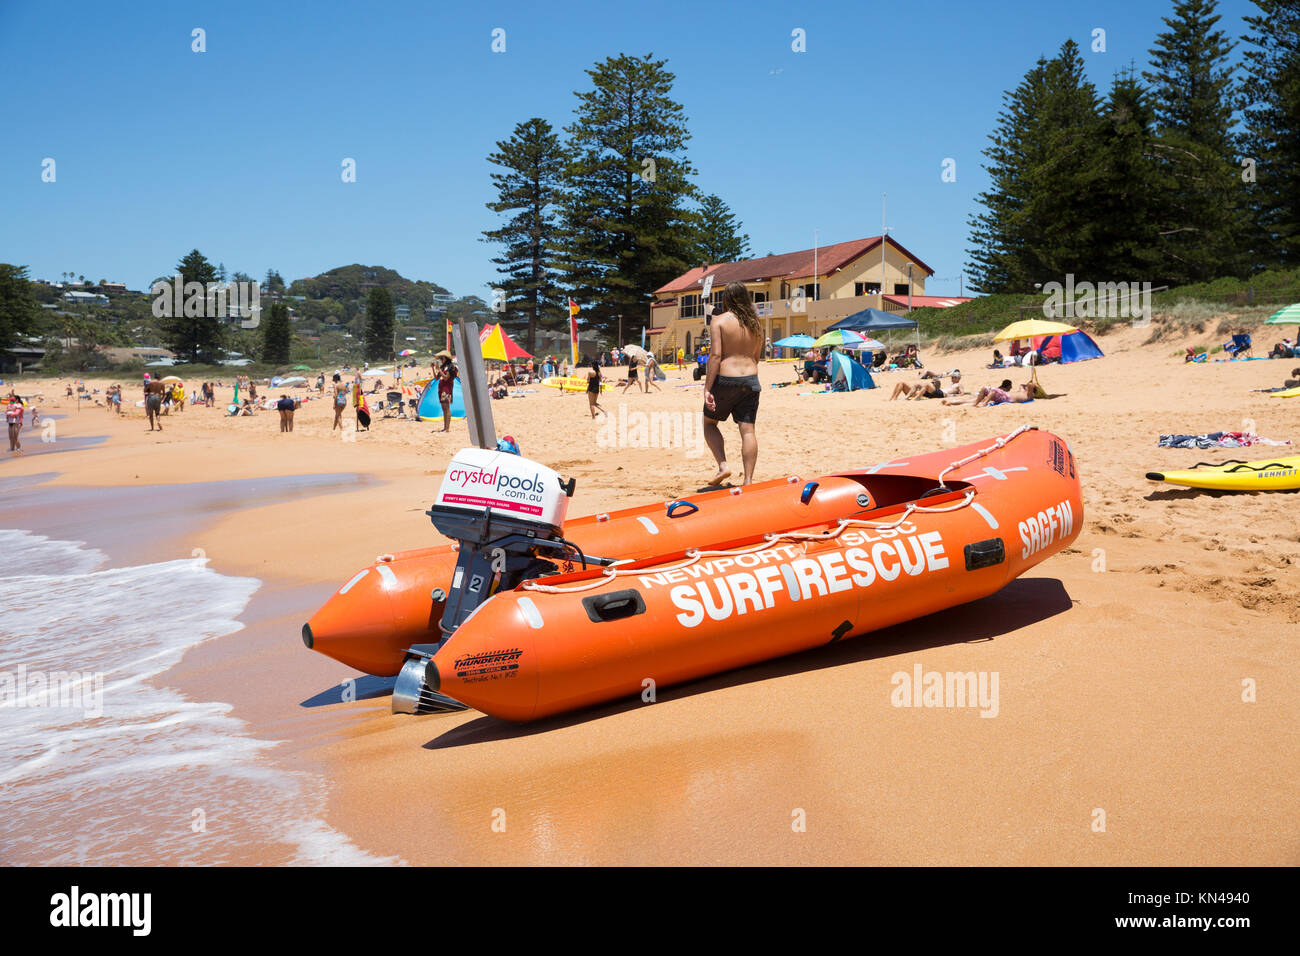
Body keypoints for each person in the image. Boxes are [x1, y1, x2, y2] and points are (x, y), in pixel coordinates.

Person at [702, 281, 763, 486]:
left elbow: (716, 356)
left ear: (726, 299)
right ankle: (748, 480)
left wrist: (707, 387)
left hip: (727, 379)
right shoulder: (756, 324)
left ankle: (723, 465)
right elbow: (756, 357)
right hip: (751, 379)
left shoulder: (719, 321)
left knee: (709, 423)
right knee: (747, 431)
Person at [436, 357, 457, 432]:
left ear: (446, 359)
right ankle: (445, 428)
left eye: (442, 358)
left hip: (446, 390)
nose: (441, 360)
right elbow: (436, 378)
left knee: (446, 408)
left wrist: (439, 369)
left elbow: (445, 378)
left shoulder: (450, 367)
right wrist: (433, 368)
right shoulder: (443, 367)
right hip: (441, 389)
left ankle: (447, 428)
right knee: (444, 409)